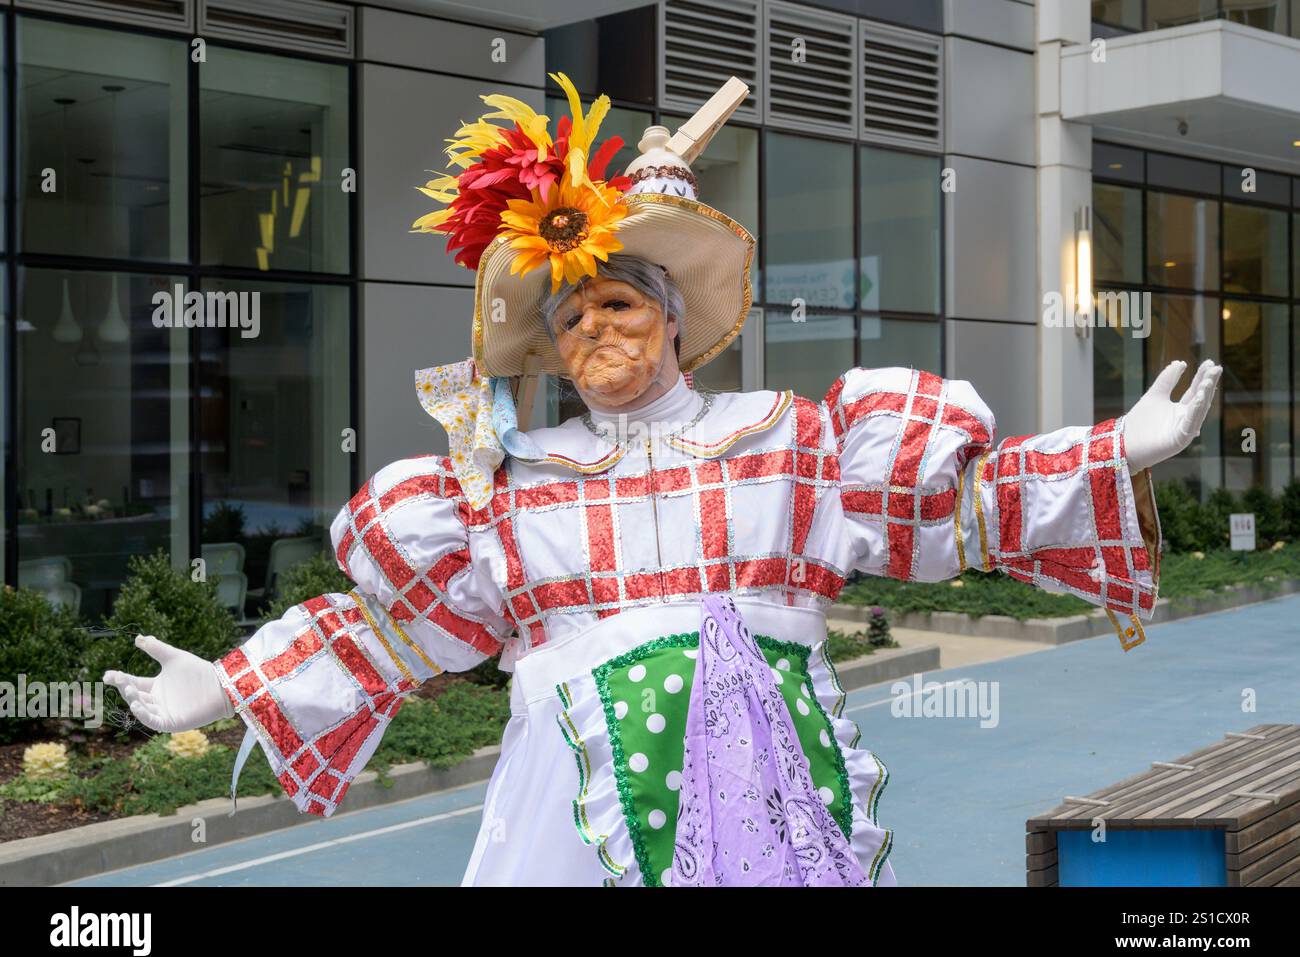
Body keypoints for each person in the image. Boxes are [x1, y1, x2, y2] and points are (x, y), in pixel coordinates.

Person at [104, 75, 1221, 887]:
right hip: (571, 800)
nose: (596, 328)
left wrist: (1114, 449)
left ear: (674, 319)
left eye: (620, 303)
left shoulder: (790, 440)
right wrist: (232, 684)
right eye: (572, 316)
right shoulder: (507, 483)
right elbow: (400, 634)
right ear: (552, 349)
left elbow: (955, 512)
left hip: (766, 793)